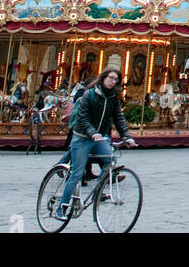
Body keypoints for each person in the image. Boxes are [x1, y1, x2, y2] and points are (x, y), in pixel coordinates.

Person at [55, 68, 136, 219]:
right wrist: (92, 133)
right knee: (77, 173)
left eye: (116, 79)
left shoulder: (113, 98)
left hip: (100, 137)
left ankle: (98, 191)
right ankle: (62, 207)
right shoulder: (89, 94)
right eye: (111, 78)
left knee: (110, 159)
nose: (113, 82)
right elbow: (82, 118)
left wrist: (126, 136)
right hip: (83, 137)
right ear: (103, 78)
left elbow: (119, 118)